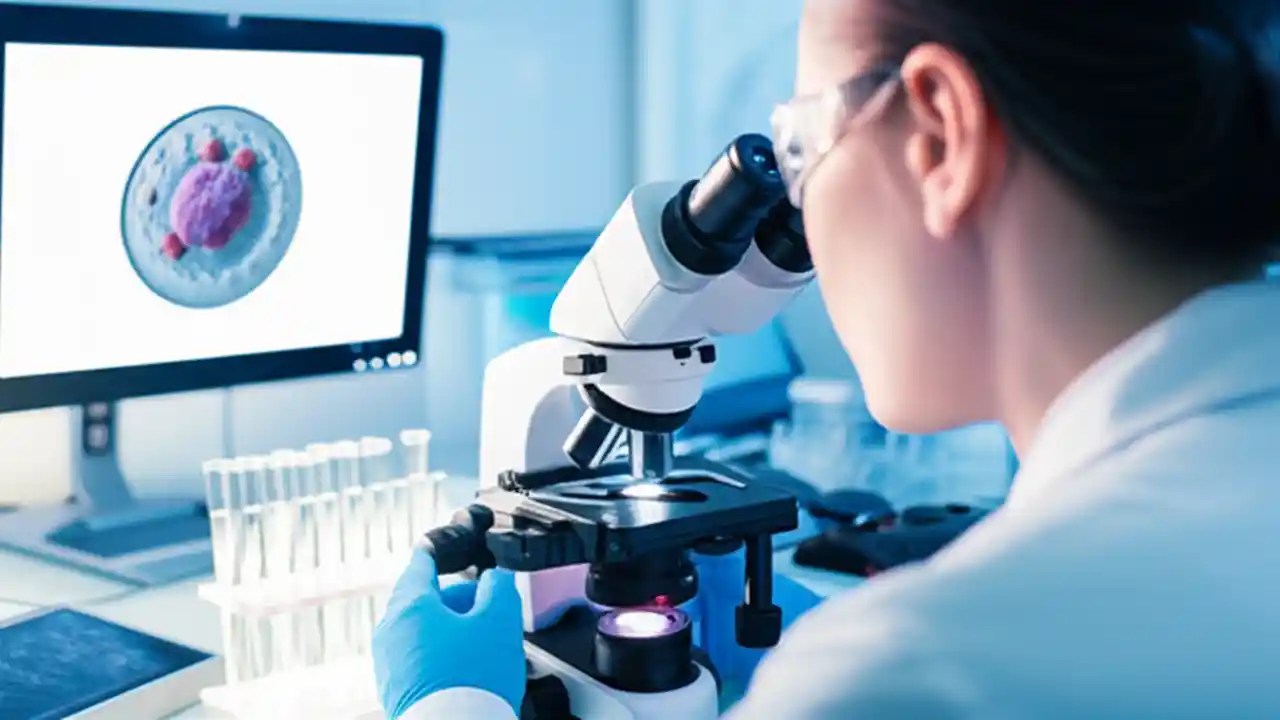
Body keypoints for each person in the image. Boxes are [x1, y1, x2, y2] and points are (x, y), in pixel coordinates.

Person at [375, 0, 1280, 716]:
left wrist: (451, 707)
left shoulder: (915, 672)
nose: (800, 215)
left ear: (939, 138)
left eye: (802, 150)